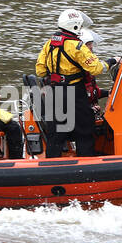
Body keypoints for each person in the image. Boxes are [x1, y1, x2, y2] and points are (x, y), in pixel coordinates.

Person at [35, 8, 109, 157]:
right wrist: (110, 63)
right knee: (85, 130)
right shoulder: (77, 46)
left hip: (54, 93)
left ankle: (50, 167)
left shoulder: (49, 44)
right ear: (75, 26)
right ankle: (85, 165)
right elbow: (95, 68)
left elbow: (40, 71)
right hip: (75, 93)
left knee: (56, 134)